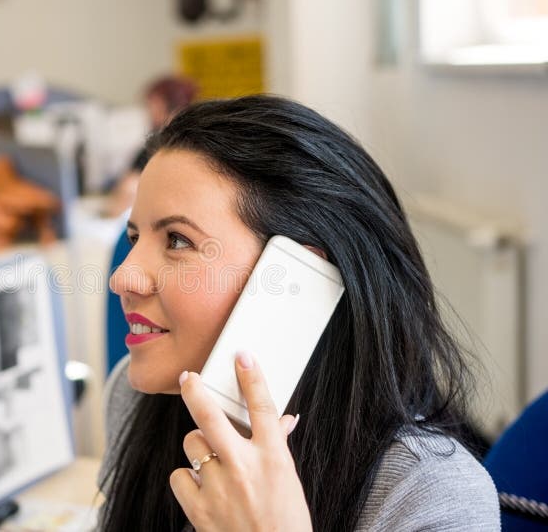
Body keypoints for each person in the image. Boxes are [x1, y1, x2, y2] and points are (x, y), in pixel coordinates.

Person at [99, 95, 500, 531]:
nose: (123, 277)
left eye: (177, 240)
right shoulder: (131, 397)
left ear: (300, 278)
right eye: (134, 236)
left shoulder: (432, 494)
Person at [104, 75, 199, 217]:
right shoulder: (197, 140)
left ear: (159, 104)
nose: (147, 112)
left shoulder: (160, 145)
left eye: (149, 105)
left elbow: (128, 188)